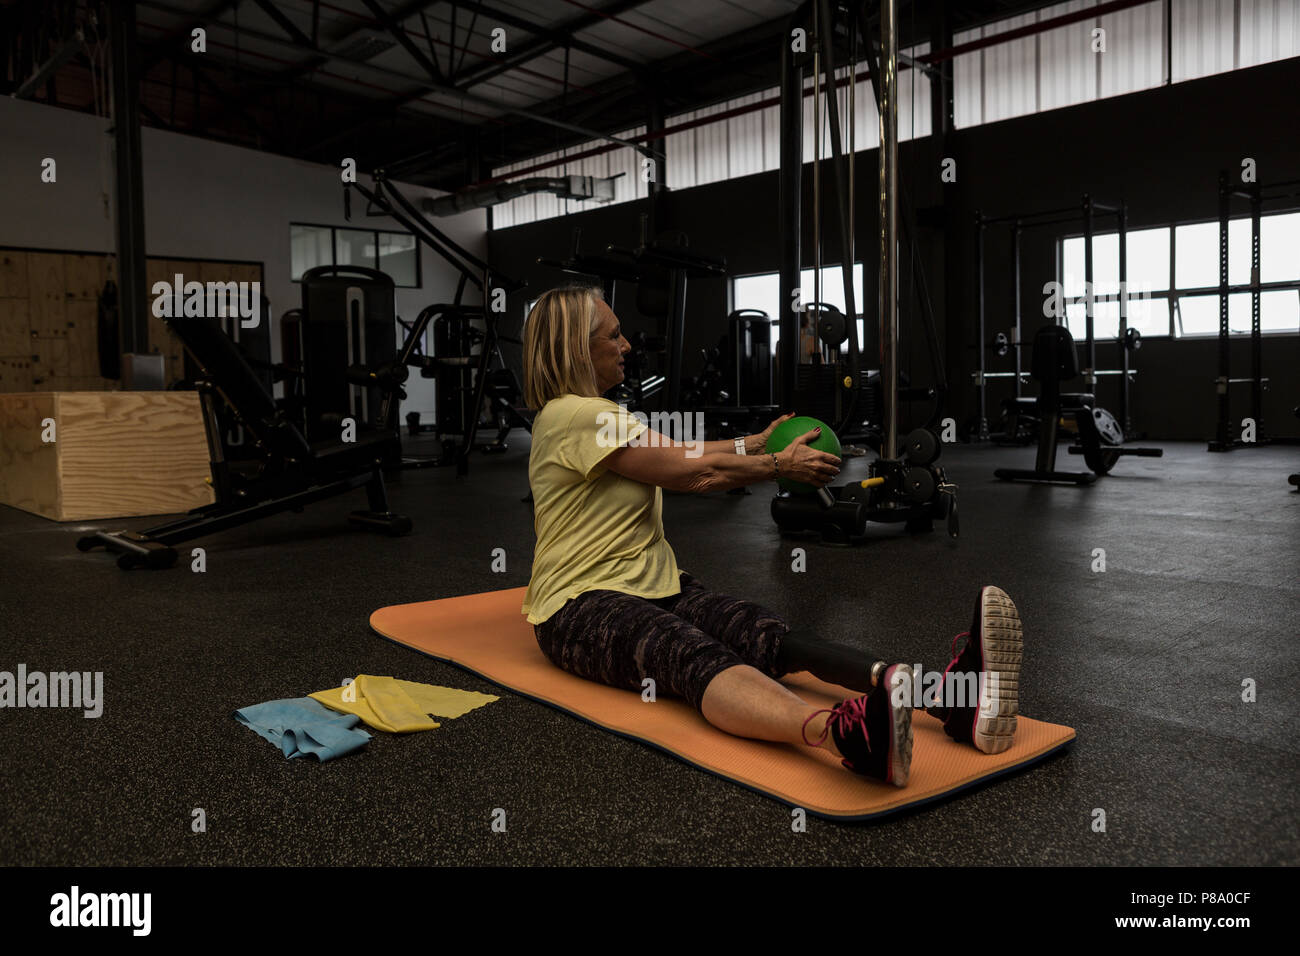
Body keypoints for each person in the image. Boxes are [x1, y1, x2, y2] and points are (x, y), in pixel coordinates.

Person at [520, 285, 1022, 787]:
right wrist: (777, 464)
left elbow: (684, 450)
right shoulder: (575, 416)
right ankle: (846, 736)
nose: (627, 345)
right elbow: (694, 475)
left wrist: (753, 442)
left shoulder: (597, 416)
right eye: (614, 335)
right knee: (691, 656)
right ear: (575, 349)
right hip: (579, 604)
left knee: (763, 634)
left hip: (656, 583)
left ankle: (948, 701)